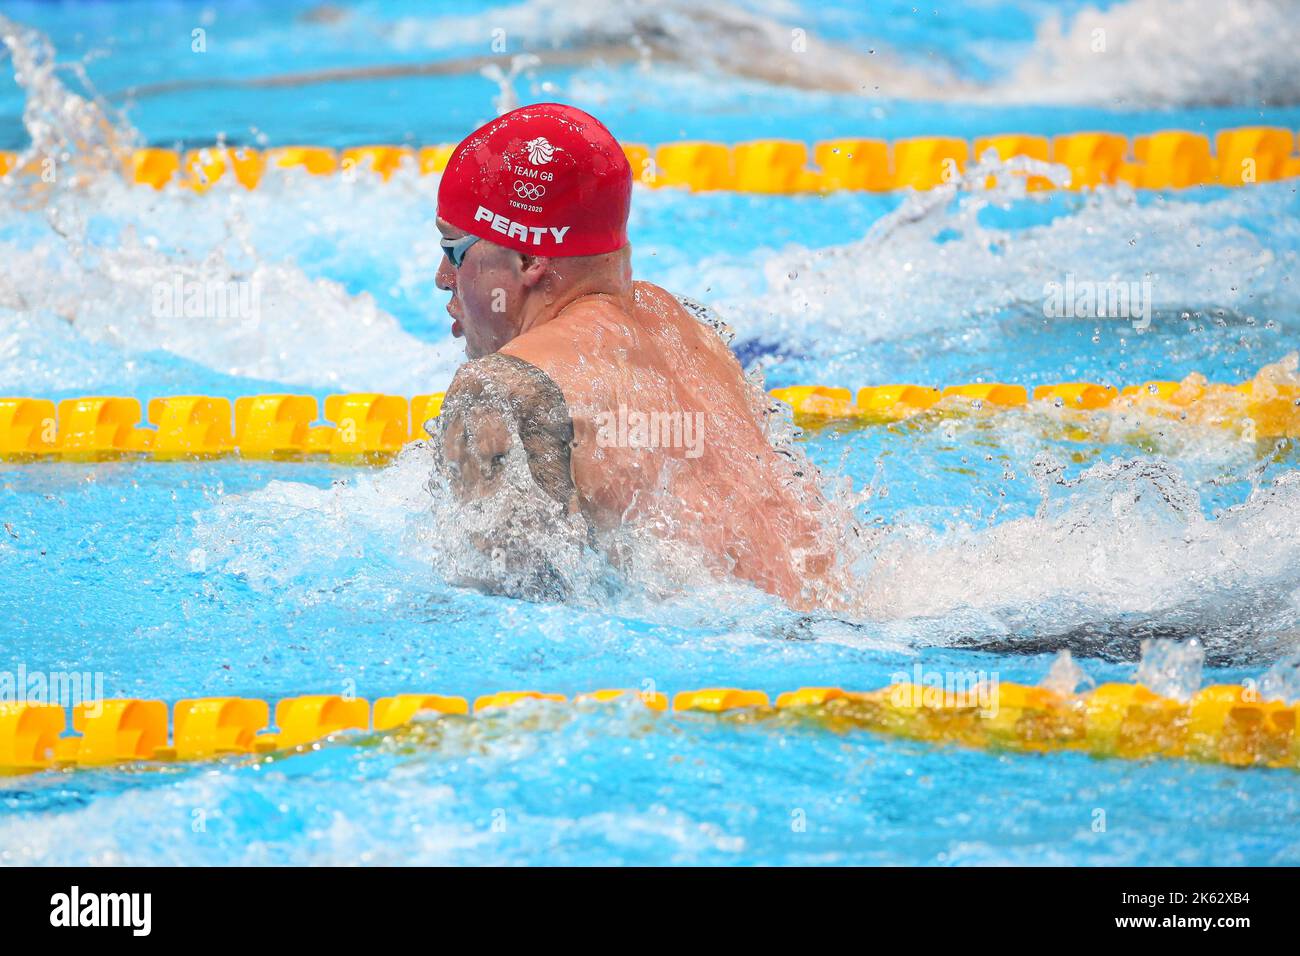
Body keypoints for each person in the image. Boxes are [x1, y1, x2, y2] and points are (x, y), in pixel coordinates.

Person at [432, 102, 834, 605]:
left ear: (529, 257)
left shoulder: (502, 388)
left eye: (454, 252)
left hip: (736, 651)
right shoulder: (683, 326)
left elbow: (501, 611)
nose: (443, 278)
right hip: (840, 618)